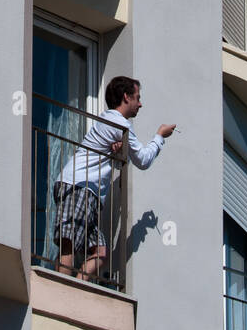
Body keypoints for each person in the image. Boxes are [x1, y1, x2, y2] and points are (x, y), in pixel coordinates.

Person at [53, 76, 175, 283]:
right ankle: (57, 289)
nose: (140, 103)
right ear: (126, 97)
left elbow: (114, 160)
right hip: (79, 185)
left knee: (100, 253)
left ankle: (74, 287)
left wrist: (117, 153)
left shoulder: (112, 123)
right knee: (69, 243)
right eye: (138, 97)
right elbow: (143, 160)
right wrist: (160, 136)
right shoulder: (118, 123)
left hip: (84, 190)